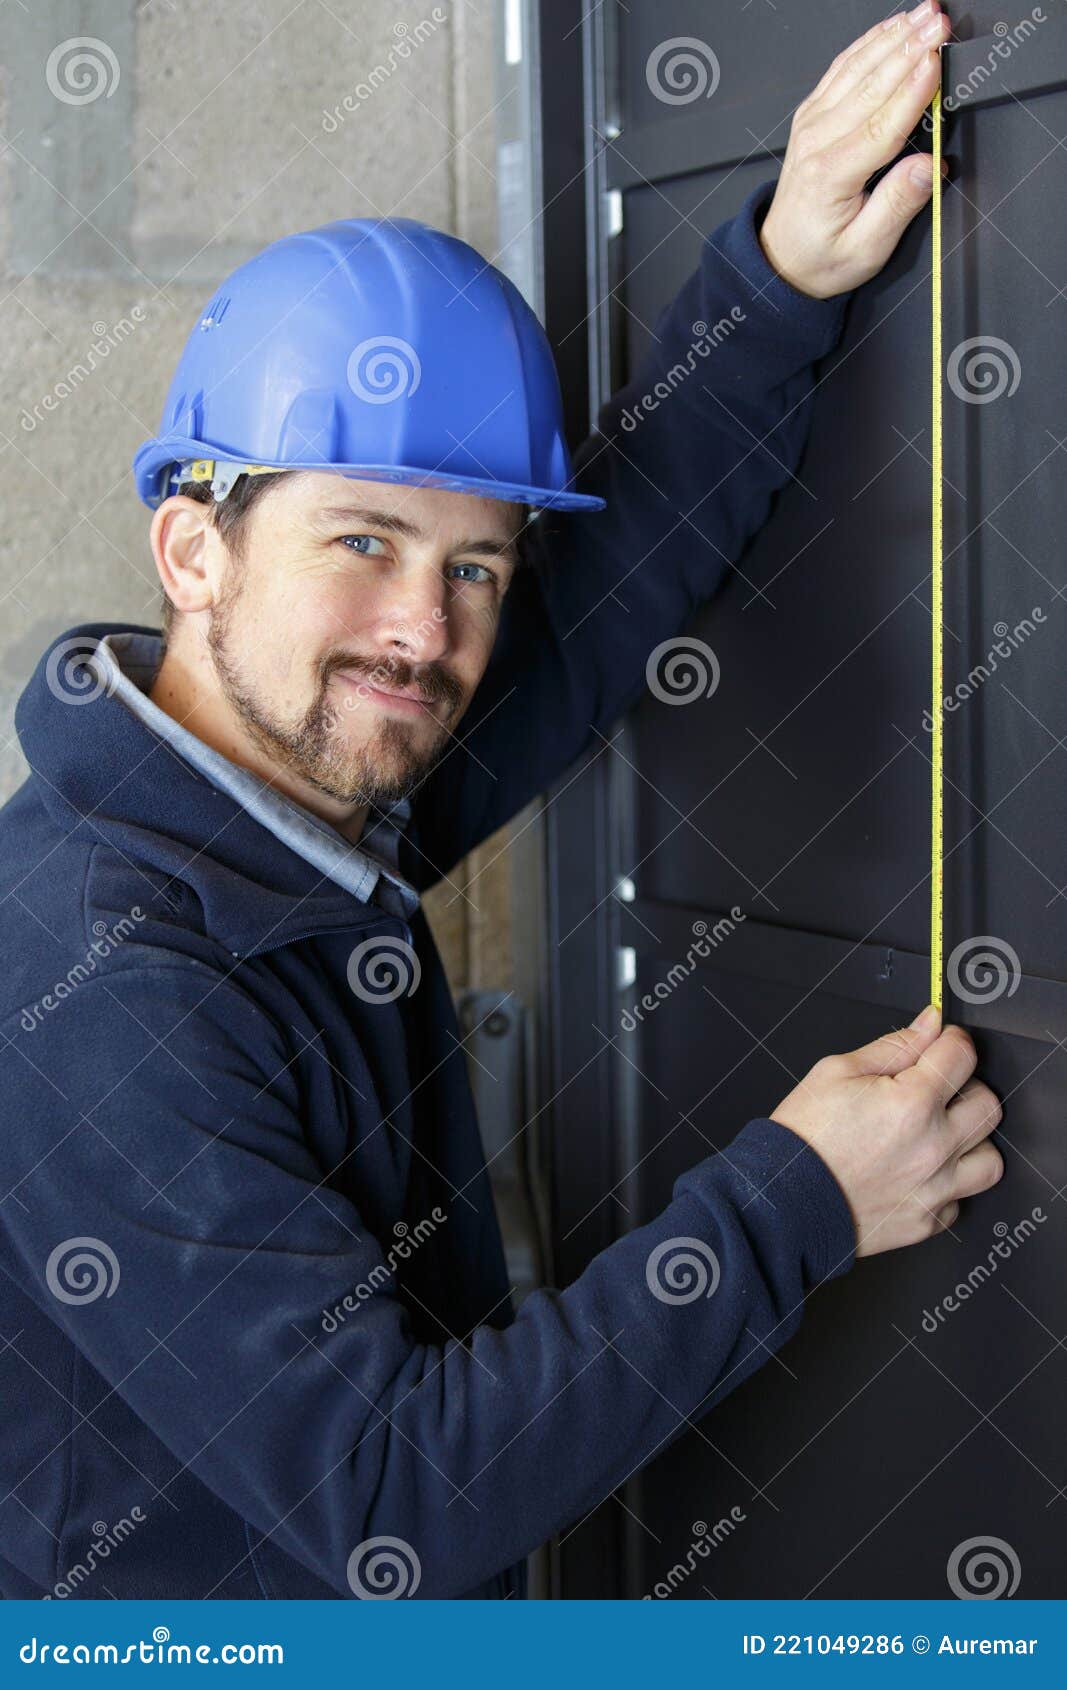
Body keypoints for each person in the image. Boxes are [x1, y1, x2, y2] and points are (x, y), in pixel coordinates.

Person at [0, 2, 1000, 1601]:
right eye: (362, 540)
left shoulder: (291, 792)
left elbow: (588, 617)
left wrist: (782, 278)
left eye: (473, 561)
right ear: (195, 552)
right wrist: (796, 1199)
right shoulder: (97, 975)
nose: (427, 627)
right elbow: (396, 1488)